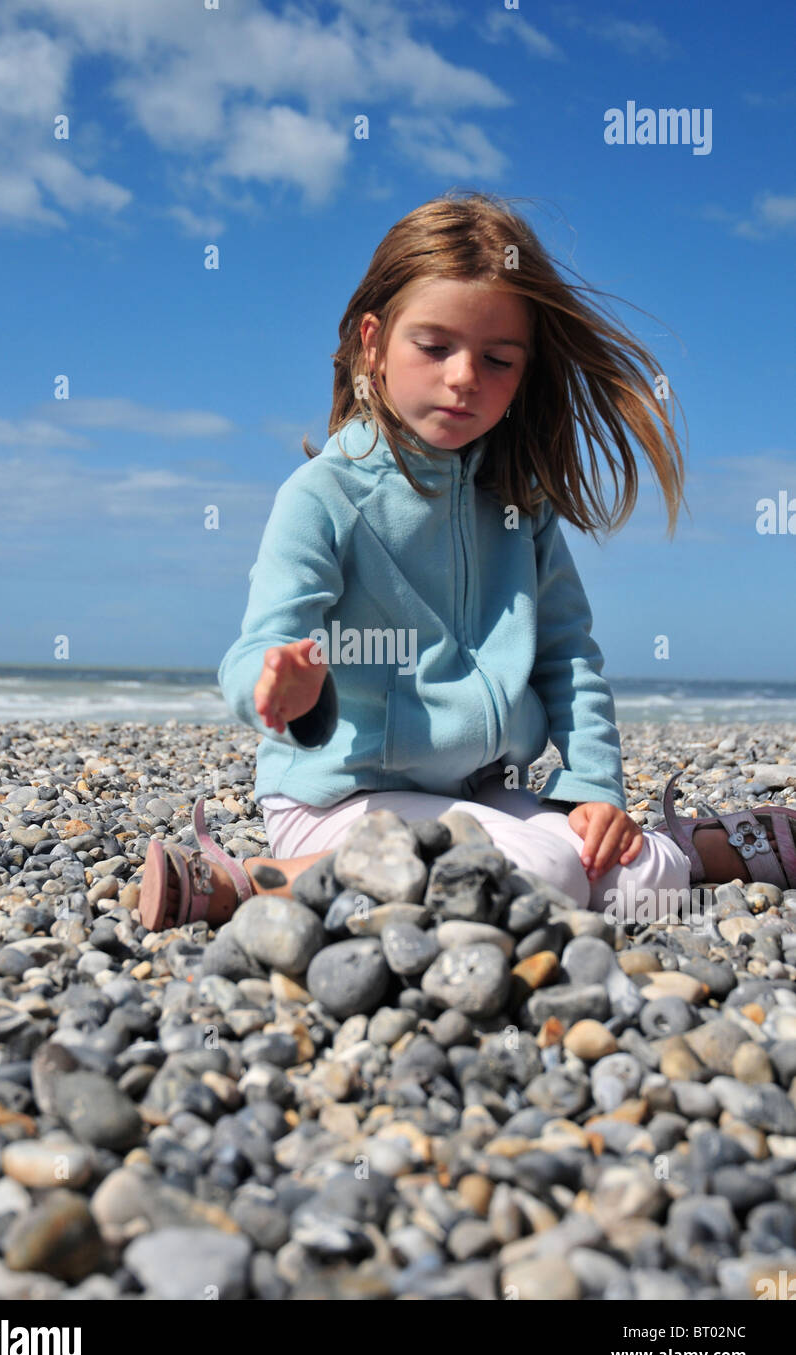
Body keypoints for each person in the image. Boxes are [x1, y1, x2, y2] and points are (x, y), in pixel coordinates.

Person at [139, 191, 795, 934]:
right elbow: (258, 647)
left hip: (485, 790)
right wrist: (278, 689)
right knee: (548, 872)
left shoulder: (521, 501)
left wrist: (594, 789)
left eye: (497, 359)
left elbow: (567, 656)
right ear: (372, 343)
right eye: (435, 346)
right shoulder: (323, 496)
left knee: (625, 872)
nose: (463, 377)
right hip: (341, 802)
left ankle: (690, 847)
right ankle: (251, 884)